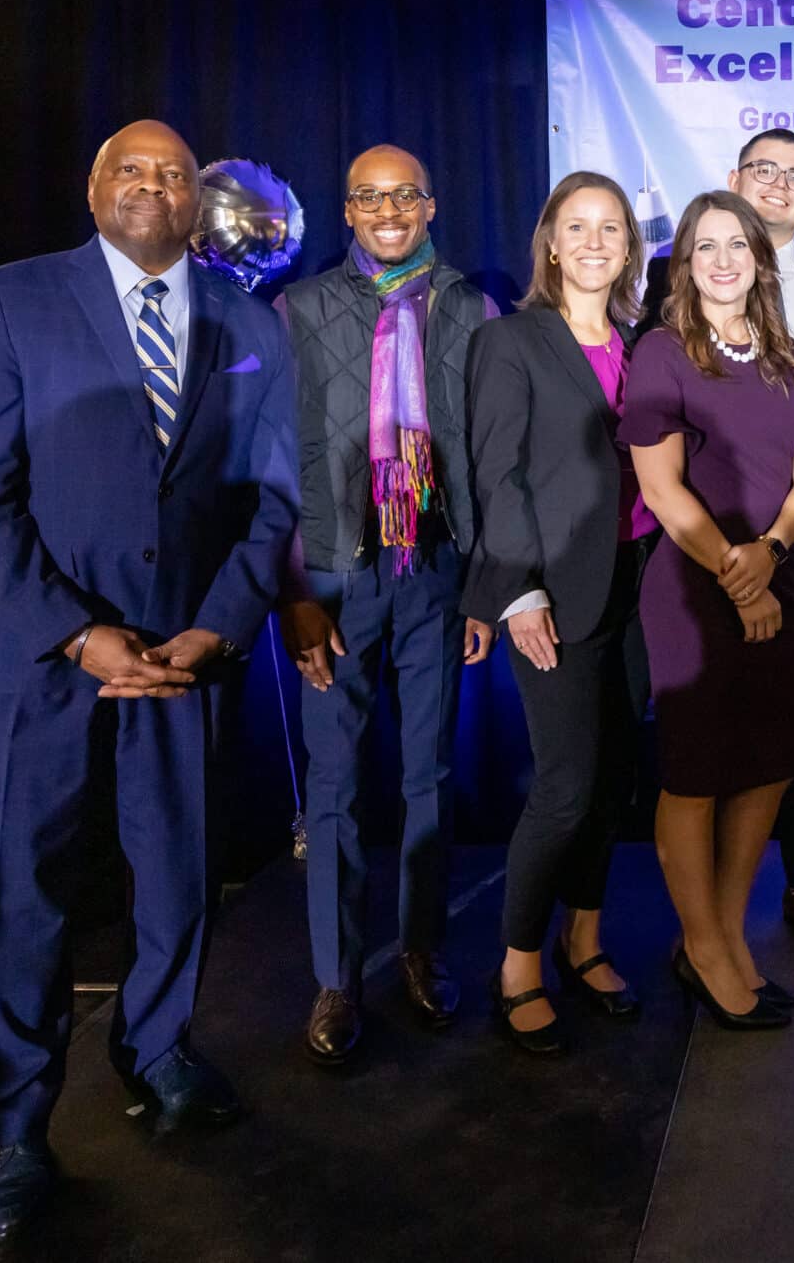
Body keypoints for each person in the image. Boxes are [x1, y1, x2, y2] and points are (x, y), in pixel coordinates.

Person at [0, 120, 297, 1246]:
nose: (152, 185)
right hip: (37, 652)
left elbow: (276, 495)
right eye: (129, 169)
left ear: (197, 201)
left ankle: (158, 1049)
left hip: (185, 656)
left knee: (179, 868)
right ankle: (12, 1128)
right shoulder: (11, 299)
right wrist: (76, 631)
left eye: (172, 173)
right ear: (94, 190)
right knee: (15, 887)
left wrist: (217, 626)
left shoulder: (250, 321)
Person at [276, 145, 499, 1065]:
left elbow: (489, 453)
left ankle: (420, 949)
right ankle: (336, 977)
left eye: (404, 194)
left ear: (430, 204)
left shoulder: (473, 308)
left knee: (428, 775)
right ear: (347, 212)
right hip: (334, 580)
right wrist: (292, 594)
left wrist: (486, 583)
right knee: (333, 784)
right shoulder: (298, 310)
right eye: (368, 197)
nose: (388, 211)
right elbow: (273, 460)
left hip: (436, 569)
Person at [644, 130, 794, 961]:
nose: (780, 185)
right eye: (764, 171)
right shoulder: (665, 315)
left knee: (788, 740)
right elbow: (660, 470)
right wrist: (740, 570)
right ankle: (703, 936)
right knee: (703, 755)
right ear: (734, 181)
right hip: (701, 562)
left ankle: (786, 899)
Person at [622, 189, 794, 1029]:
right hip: (693, 590)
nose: (722, 261)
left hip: (778, 576)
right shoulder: (662, 351)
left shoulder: (788, 357)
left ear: (759, 259)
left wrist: (771, 553)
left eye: (737, 246)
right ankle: (705, 947)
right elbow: (661, 488)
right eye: (705, 246)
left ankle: (727, 934)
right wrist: (736, 575)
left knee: (770, 764)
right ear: (685, 260)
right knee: (697, 773)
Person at [461, 171, 655, 1056]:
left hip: (642, 583)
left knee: (615, 780)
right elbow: (496, 474)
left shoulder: (641, 343)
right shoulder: (513, 340)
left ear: (629, 247)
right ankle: (518, 966)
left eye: (610, 228)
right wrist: (517, 591)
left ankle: (585, 939)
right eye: (576, 226)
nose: (593, 242)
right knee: (565, 786)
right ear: (549, 242)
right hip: (554, 591)